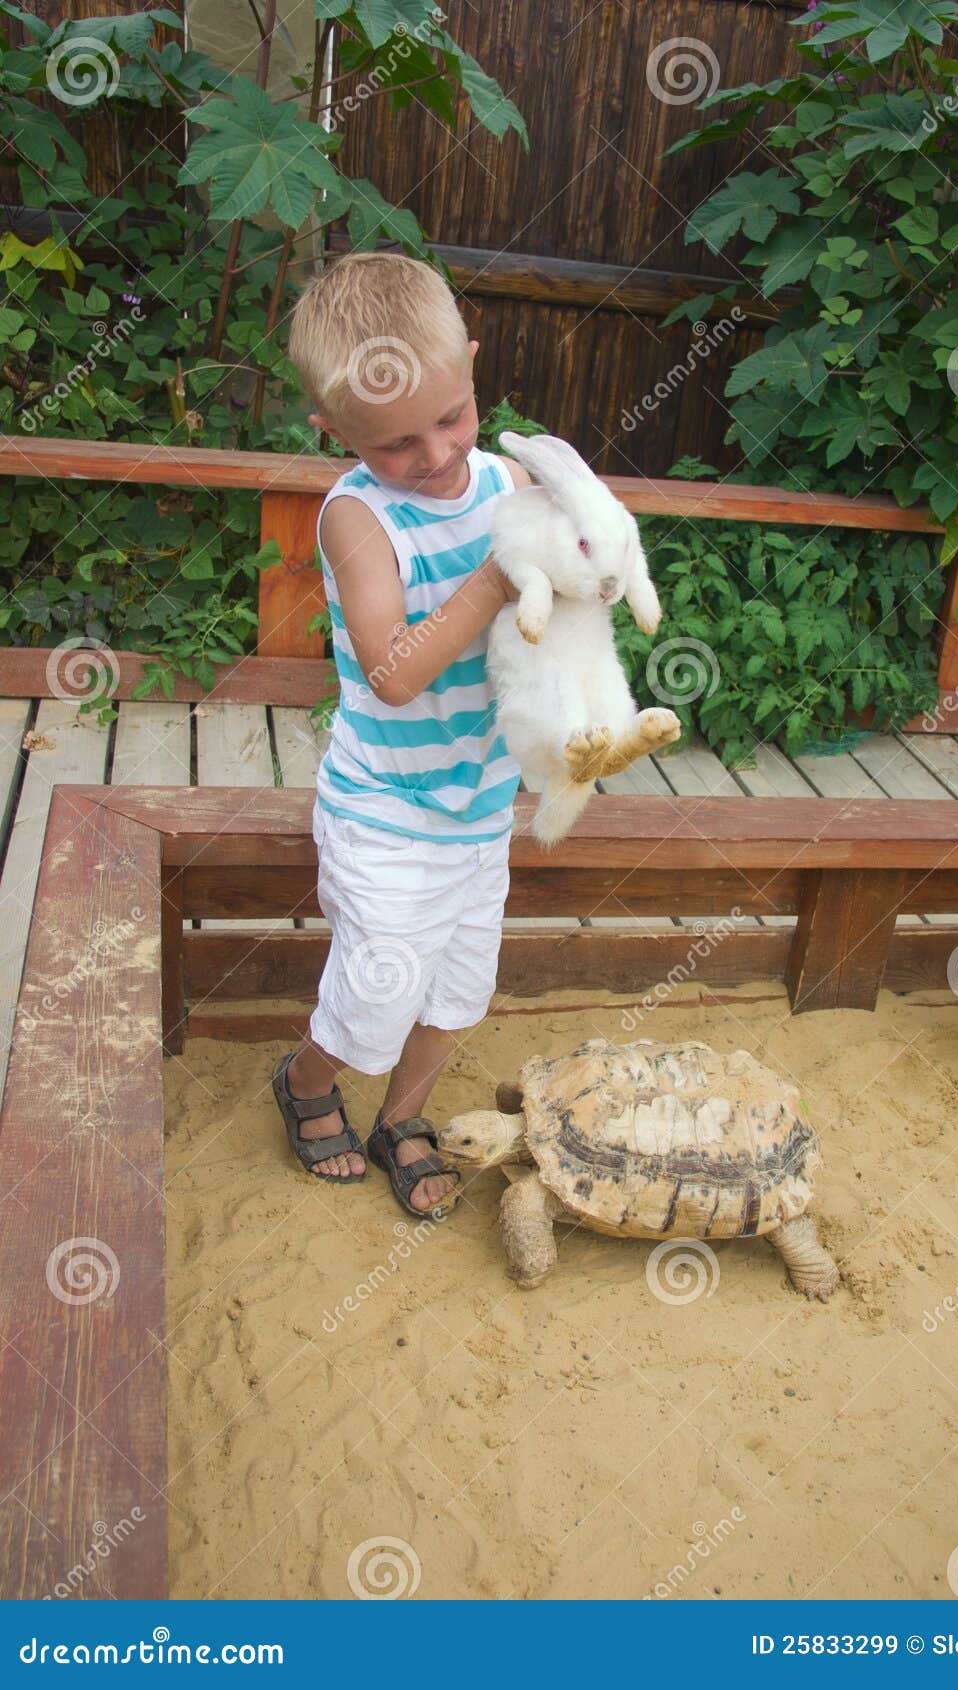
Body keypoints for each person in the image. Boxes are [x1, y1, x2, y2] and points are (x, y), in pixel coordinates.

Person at [276, 250, 531, 1215]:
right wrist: (498, 578)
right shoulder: (357, 516)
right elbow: (392, 674)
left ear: (471, 366)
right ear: (335, 433)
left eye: (450, 417)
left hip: (480, 803)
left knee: (457, 990)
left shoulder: (507, 481)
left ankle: (400, 1117)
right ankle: (306, 1083)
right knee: (382, 984)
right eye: (392, 443)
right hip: (385, 809)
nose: (432, 455)